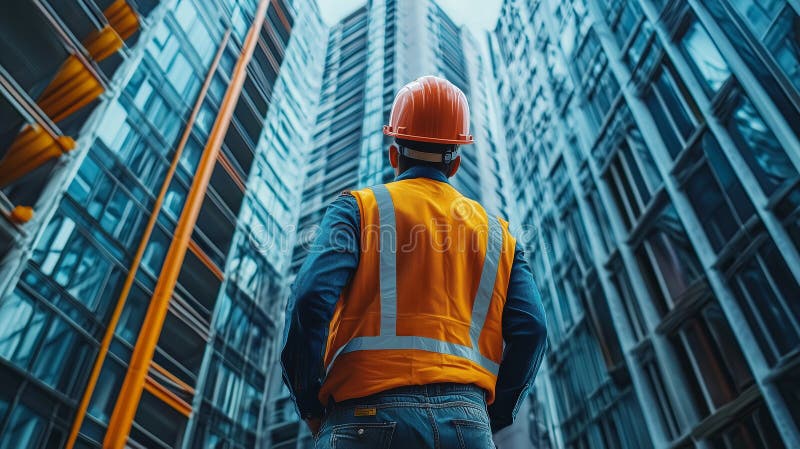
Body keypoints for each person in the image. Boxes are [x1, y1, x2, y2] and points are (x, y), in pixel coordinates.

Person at [280, 75, 547, 448]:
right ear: (455, 162)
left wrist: (308, 401)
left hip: (363, 418)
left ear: (394, 154)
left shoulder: (358, 209)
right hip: (467, 424)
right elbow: (532, 329)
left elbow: (309, 300)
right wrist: (493, 416)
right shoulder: (500, 236)